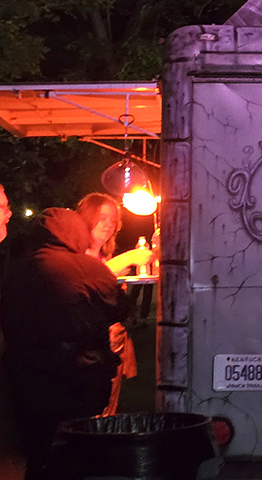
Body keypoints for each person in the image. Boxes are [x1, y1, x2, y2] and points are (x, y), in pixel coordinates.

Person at [0, 207, 130, 479]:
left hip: (24, 377)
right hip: (76, 376)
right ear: (76, 233)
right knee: (78, 450)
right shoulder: (86, 267)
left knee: (38, 451)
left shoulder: (16, 271)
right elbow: (120, 308)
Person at [76, 192, 153, 415]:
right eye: (102, 218)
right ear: (87, 218)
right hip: (90, 351)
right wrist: (126, 259)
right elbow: (85, 284)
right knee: (91, 409)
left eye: (113, 220)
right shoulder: (76, 256)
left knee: (109, 406)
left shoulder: (104, 258)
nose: (109, 224)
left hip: (113, 345)